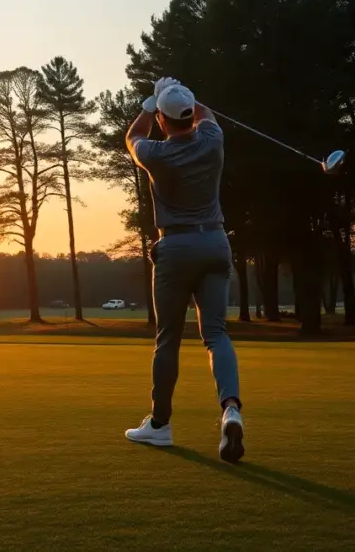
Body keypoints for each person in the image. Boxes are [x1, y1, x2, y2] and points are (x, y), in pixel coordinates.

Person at [122, 77, 244, 463]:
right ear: (191, 116)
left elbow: (131, 136)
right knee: (216, 334)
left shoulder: (156, 153)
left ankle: (160, 425)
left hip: (176, 247)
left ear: (162, 120)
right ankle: (231, 409)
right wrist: (184, 93)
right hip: (215, 243)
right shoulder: (212, 140)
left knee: (168, 338)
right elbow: (206, 115)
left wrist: (152, 101)